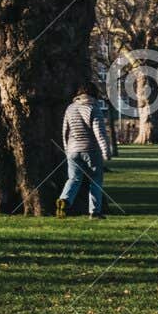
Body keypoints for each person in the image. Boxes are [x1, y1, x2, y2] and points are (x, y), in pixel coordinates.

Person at [57, 81, 113, 219]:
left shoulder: (70, 108)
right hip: (91, 149)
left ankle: (64, 199)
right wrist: (106, 152)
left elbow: (65, 131)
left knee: (74, 178)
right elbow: (99, 132)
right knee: (95, 181)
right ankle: (94, 212)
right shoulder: (94, 108)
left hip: (72, 149)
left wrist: (67, 149)